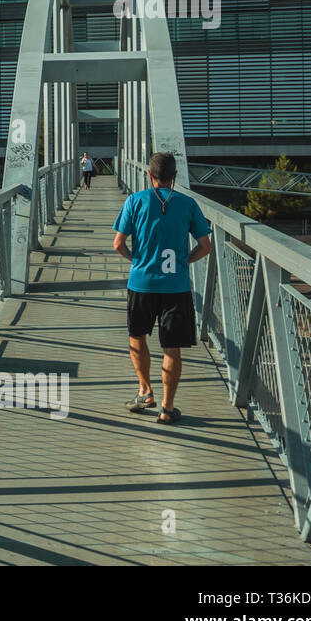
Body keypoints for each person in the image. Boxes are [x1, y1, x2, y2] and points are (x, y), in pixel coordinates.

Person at [112, 152, 211, 424]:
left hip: (141, 284)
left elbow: (118, 244)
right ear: (174, 177)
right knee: (172, 347)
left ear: (149, 175)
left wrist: (137, 261)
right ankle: (167, 408)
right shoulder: (188, 203)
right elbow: (205, 247)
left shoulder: (135, 201)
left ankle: (145, 392)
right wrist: (184, 262)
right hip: (176, 287)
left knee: (137, 337)